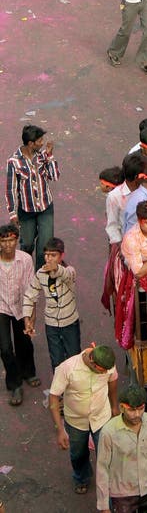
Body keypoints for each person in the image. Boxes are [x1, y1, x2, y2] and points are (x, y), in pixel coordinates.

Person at [49, 345, 119, 495]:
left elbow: (112, 381)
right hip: (76, 422)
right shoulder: (67, 368)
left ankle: (107, 482)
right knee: (78, 454)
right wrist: (60, 430)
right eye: (102, 371)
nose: (106, 373)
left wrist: (114, 406)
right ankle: (81, 478)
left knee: (107, 453)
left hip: (102, 418)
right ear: (92, 363)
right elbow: (54, 397)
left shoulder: (107, 363)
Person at [96, 383, 147, 513]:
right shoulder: (109, 432)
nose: (137, 414)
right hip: (123, 494)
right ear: (122, 408)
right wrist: (104, 505)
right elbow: (102, 469)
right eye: (132, 410)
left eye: (141, 408)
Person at [6, 124, 60, 271]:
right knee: (27, 244)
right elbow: (11, 189)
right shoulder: (14, 162)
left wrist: (49, 156)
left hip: (45, 207)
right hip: (26, 211)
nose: (43, 143)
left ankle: (39, 275)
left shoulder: (42, 156)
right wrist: (12, 213)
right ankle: (26, 270)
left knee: (45, 245)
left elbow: (54, 176)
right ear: (31, 143)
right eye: (40, 141)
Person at [22, 237, 80, 372]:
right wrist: (27, 319)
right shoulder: (40, 274)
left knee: (74, 359)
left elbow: (66, 275)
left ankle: (74, 391)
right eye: (46, 255)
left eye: (53, 255)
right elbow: (30, 296)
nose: (48, 259)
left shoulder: (70, 271)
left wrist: (56, 269)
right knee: (56, 361)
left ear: (62, 256)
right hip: (51, 325)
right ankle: (60, 390)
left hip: (70, 323)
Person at [0, 223, 37, 407]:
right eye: (4, 241)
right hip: (1, 308)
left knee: (24, 342)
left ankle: (28, 372)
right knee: (5, 348)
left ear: (16, 240)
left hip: (21, 305)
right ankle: (15, 384)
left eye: (11, 240)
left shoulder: (26, 260)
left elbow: (31, 290)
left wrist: (31, 316)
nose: (8, 245)